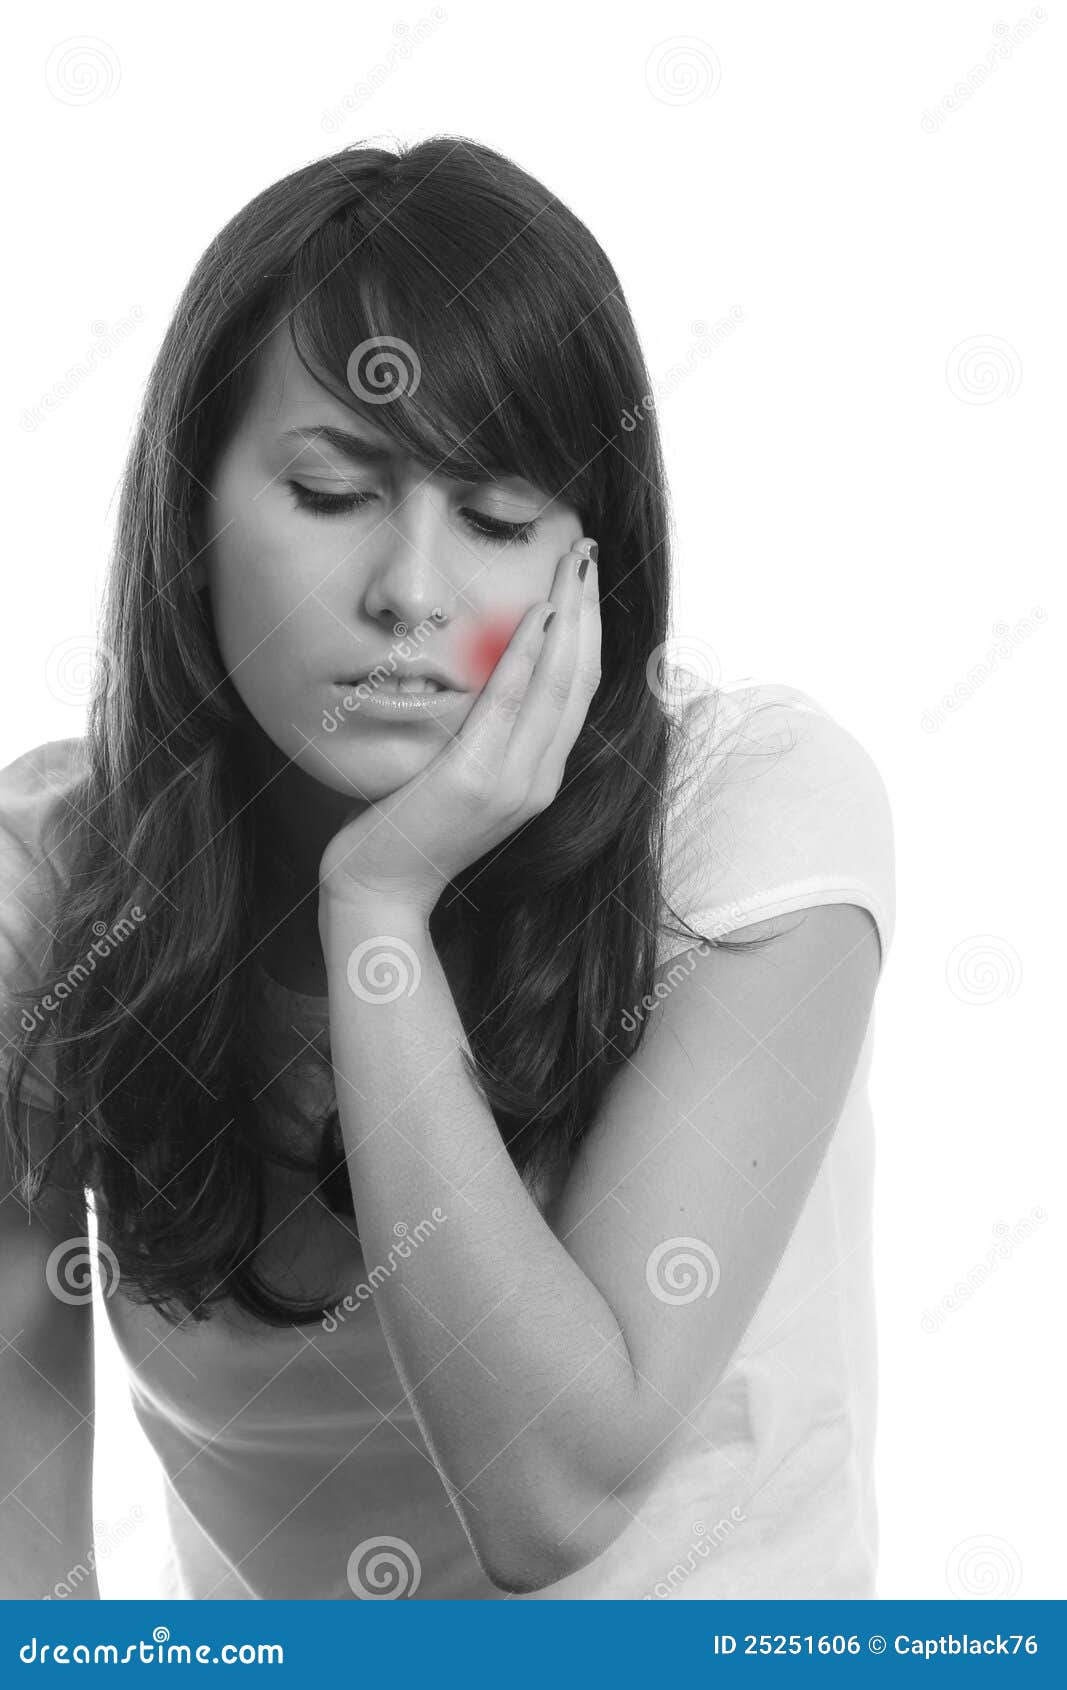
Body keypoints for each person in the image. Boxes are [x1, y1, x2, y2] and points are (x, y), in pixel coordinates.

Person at [0, 136, 894, 1601]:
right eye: (334, 492)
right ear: (194, 512)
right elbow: (20, 1568)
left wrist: (379, 908)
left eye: (492, 519)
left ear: (586, 566)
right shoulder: (48, 887)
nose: (409, 594)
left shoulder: (756, 811)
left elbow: (555, 1494)